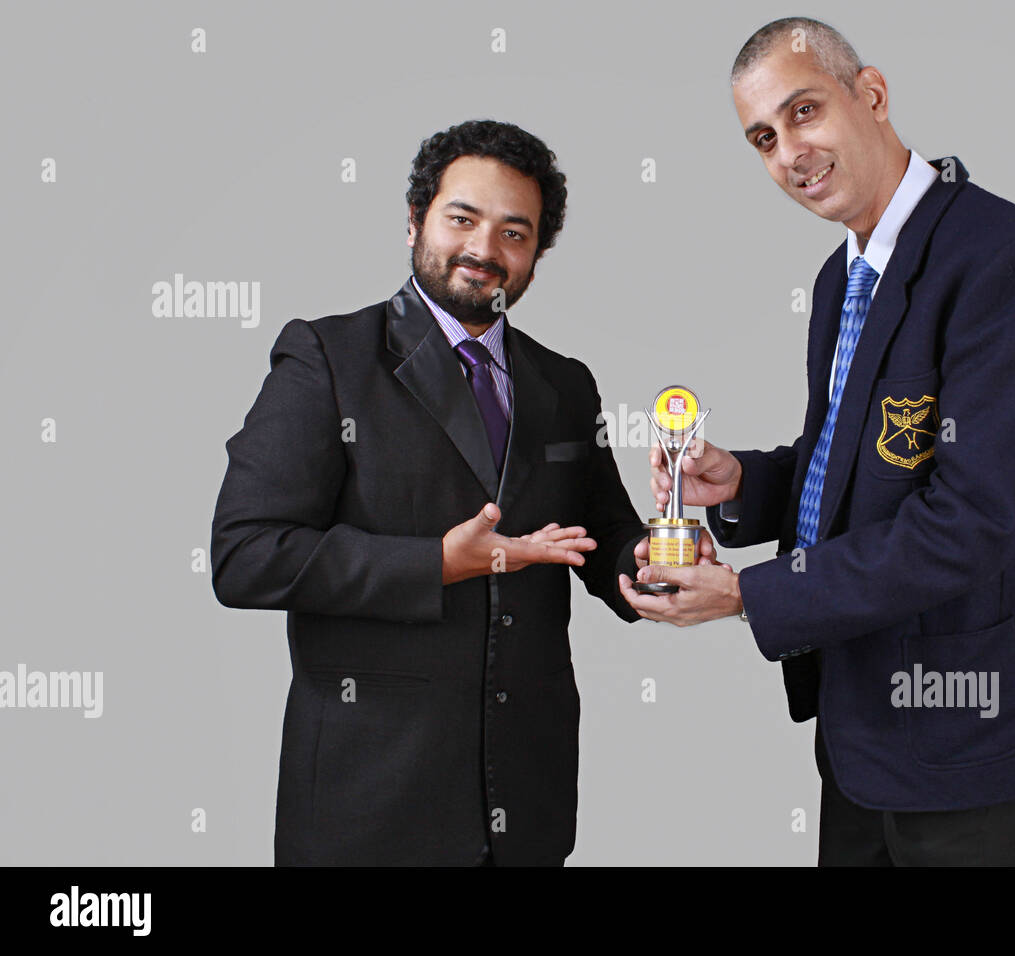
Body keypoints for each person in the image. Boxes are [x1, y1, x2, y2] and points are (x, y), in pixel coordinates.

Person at [619, 18, 1015, 866]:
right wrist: (743, 484)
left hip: (961, 728)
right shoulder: (843, 275)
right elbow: (862, 457)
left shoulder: (1007, 258)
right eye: (763, 137)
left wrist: (751, 596)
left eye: (804, 111)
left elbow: (972, 517)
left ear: (870, 93)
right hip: (858, 716)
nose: (788, 151)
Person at [210, 119, 709, 866]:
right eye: (463, 219)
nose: (484, 249)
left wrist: (653, 559)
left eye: (515, 232)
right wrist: (437, 562)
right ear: (415, 221)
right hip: (369, 806)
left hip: (526, 802)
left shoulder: (565, 383)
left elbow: (600, 534)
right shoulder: (327, 357)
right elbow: (244, 555)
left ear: (537, 255)